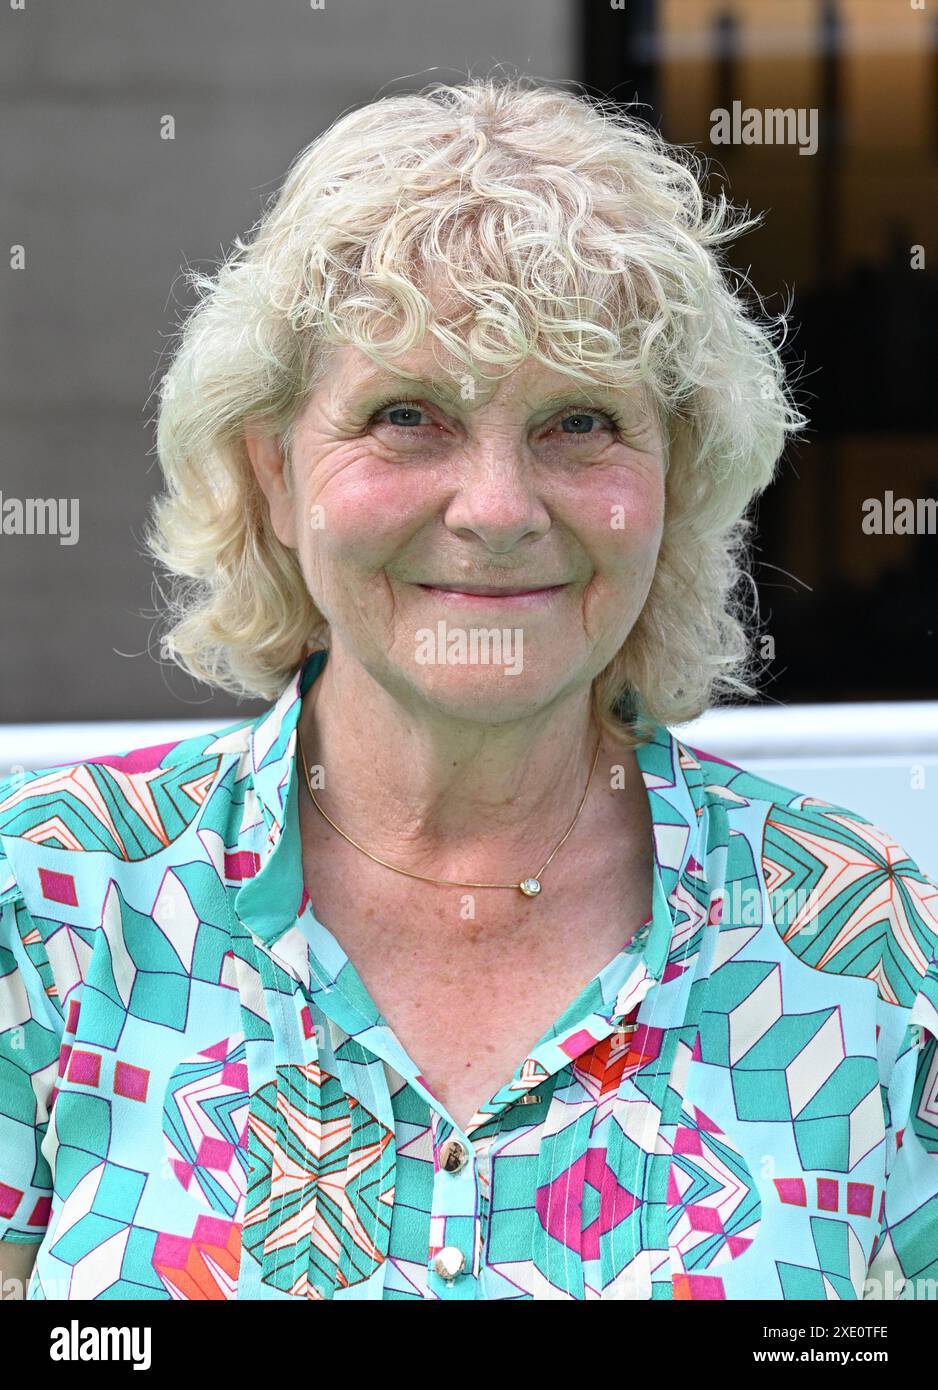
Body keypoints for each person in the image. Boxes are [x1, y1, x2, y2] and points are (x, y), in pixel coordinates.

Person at [1, 76, 935, 1302]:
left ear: (679, 487)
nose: (495, 510)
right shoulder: (51, 907)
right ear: (273, 475)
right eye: (407, 415)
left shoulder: (868, 951)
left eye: (579, 424)